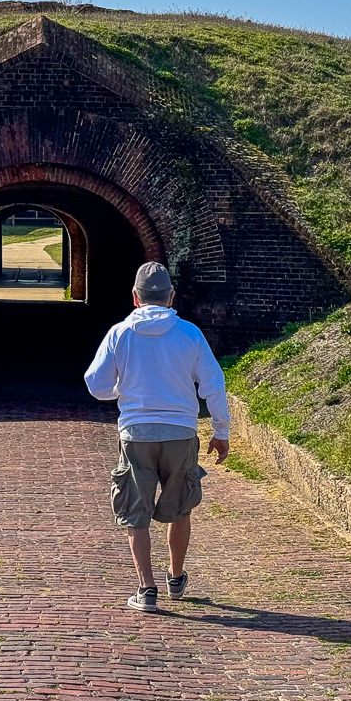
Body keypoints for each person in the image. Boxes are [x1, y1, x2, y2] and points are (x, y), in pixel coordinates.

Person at [84, 262, 230, 612]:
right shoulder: (190, 333)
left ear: (135, 297)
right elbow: (214, 384)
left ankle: (146, 589)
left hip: (136, 432)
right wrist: (220, 432)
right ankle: (176, 578)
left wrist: (121, 391)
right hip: (181, 431)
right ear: (171, 297)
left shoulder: (120, 333)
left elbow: (95, 383)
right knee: (180, 506)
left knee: (136, 510)